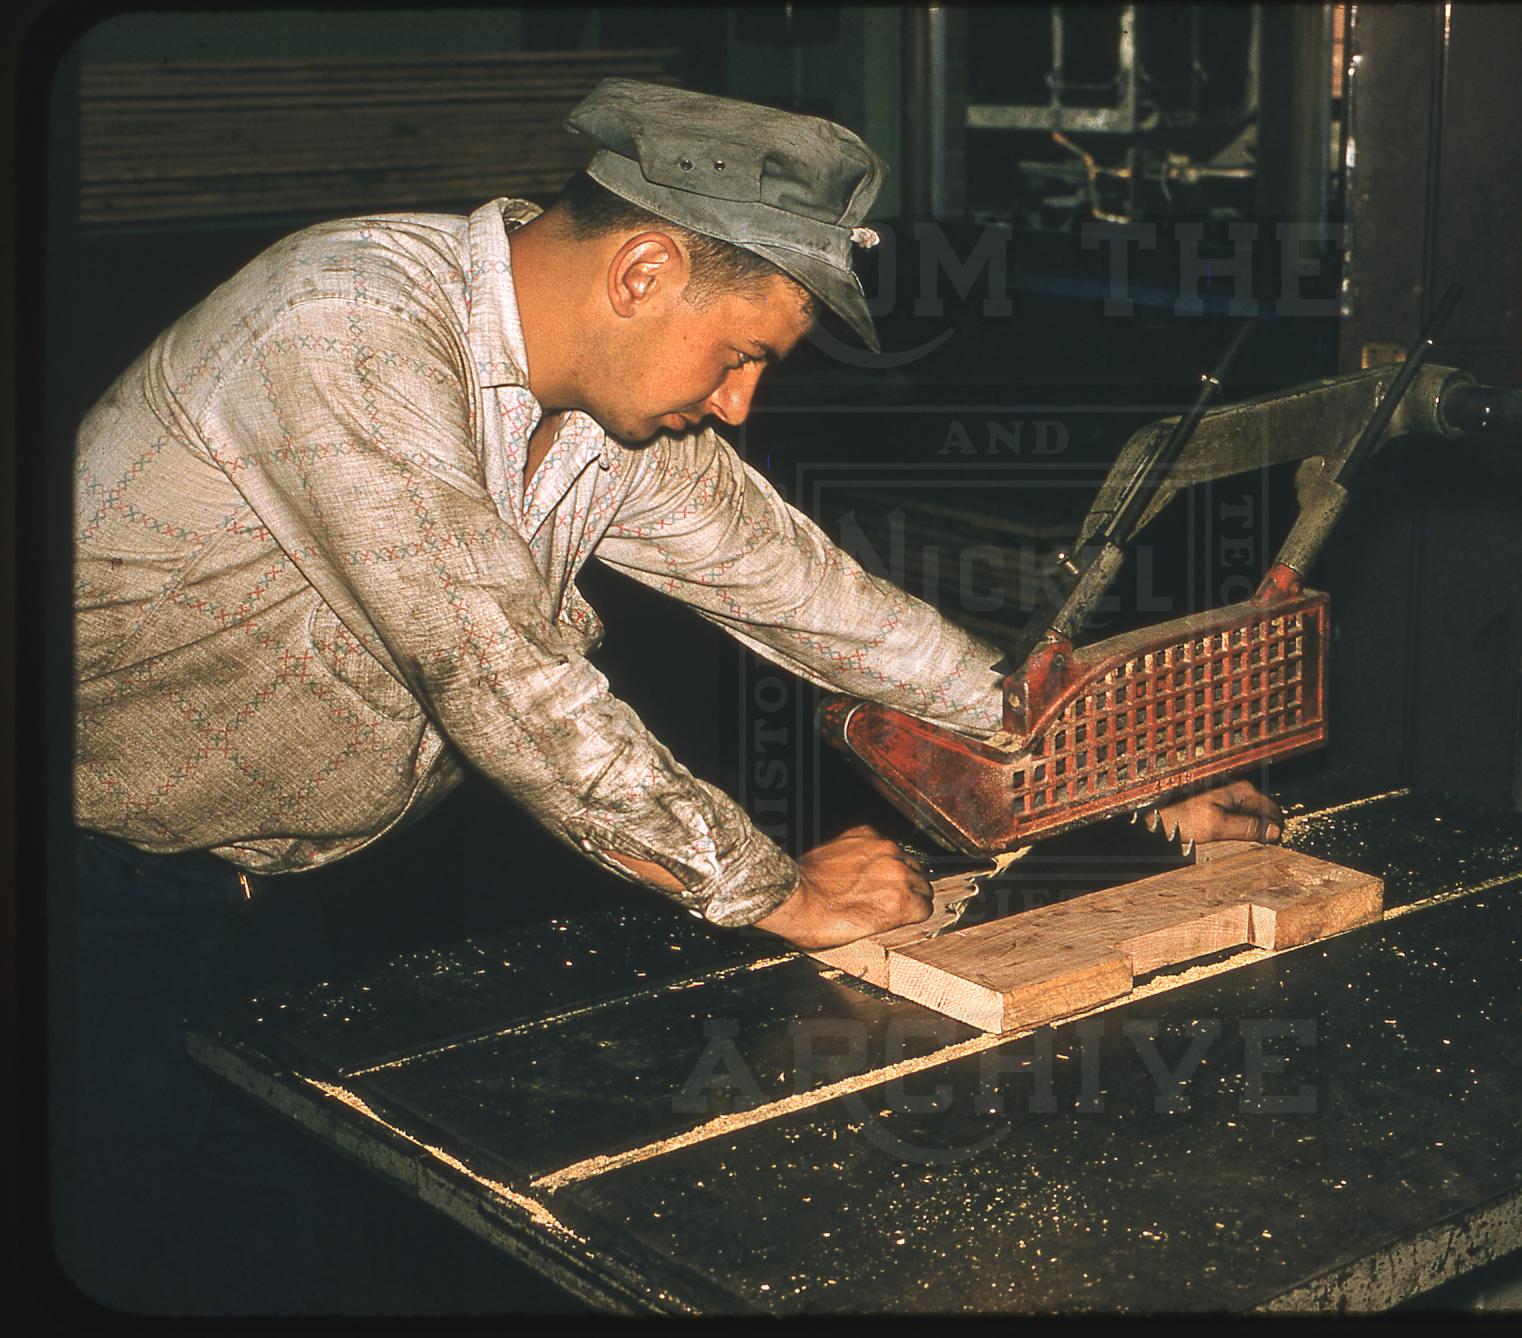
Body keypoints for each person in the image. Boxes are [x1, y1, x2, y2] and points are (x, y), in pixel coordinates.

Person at [60, 80, 1282, 1310]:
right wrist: (776, 890)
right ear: (641, 272)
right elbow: (508, 679)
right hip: (76, 899)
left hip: (270, 897)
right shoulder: (341, 327)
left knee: (300, 1261)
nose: (740, 402)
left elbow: (820, 602)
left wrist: (1117, 767)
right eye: (743, 354)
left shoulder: (601, 413)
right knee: (127, 1262)